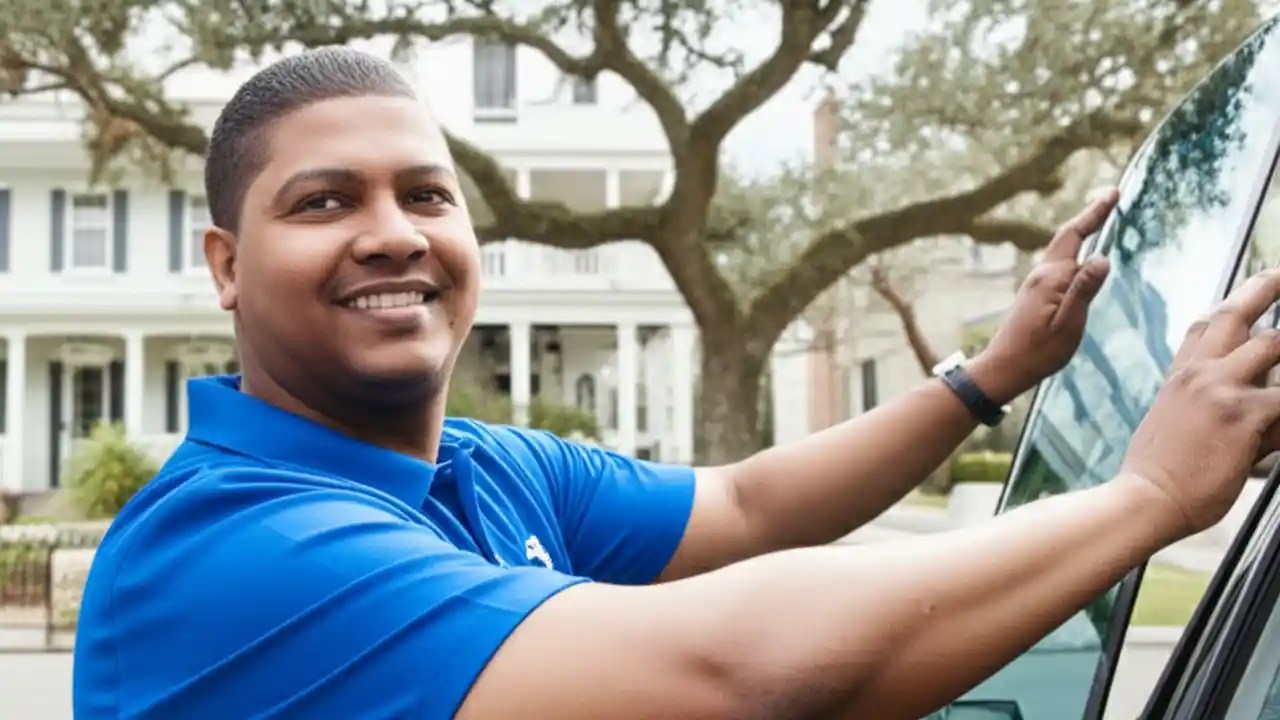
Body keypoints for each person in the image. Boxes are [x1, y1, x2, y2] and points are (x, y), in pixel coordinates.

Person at [70, 47, 1280, 720]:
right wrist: (1147, 498)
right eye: (324, 201)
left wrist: (992, 375)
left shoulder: (488, 469)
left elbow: (750, 505)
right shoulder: (228, 553)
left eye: (425, 194)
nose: (392, 233)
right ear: (227, 266)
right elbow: (750, 674)